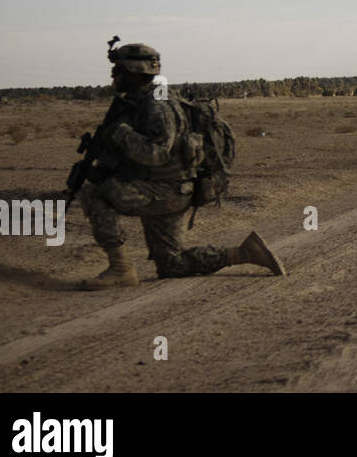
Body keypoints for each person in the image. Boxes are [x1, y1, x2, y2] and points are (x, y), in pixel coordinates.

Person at [78, 42, 284, 290]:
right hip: (171, 190)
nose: (114, 76)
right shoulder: (143, 101)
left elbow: (157, 153)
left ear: (133, 72)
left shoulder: (156, 105)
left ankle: (121, 269)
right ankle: (244, 253)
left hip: (164, 192)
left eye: (118, 71)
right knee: (172, 265)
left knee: (93, 193)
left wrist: (121, 133)